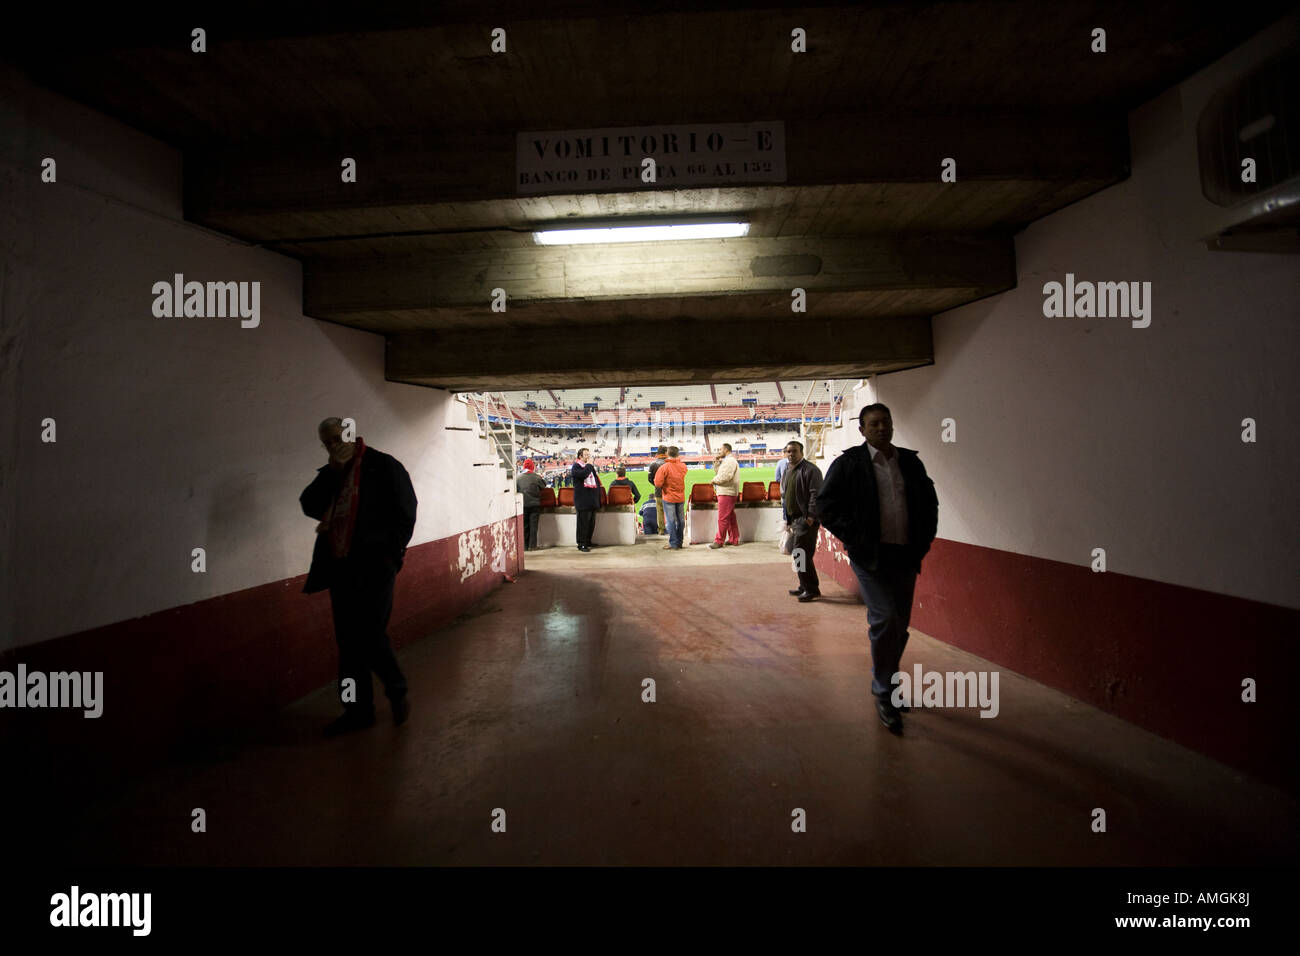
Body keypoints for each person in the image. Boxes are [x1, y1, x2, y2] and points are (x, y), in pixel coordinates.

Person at [817, 403, 939, 736]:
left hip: (905, 555)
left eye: (885, 422)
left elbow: (930, 503)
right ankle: (886, 691)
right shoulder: (849, 465)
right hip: (870, 557)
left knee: (898, 625)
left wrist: (923, 543)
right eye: (873, 424)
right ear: (862, 430)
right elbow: (825, 506)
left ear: (893, 425)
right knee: (884, 618)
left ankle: (885, 680)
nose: (881, 429)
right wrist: (855, 538)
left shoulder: (910, 463)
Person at [300, 418, 416, 737]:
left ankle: (395, 688)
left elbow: (406, 513)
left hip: (376, 567)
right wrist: (334, 474)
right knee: (348, 645)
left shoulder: (384, 466)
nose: (332, 446)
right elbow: (308, 505)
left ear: (351, 434)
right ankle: (357, 711)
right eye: (326, 443)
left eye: (337, 438)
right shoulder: (331, 473)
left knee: (369, 634)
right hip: (340, 567)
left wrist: (390, 556)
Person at [781, 440, 823, 603]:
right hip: (795, 520)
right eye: (788, 451)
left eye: (794, 451)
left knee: (801, 553)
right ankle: (805, 585)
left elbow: (816, 494)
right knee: (800, 554)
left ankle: (810, 589)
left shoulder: (811, 470)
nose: (791, 454)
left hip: (806, 519)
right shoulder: (788, 470)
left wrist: (811, 517)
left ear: (802, 452)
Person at [652, 446, 688, 549]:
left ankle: (673, 543)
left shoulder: (664, 467)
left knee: (670, 521)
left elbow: (657, 483)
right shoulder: (683, 466)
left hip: (669, 497)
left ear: (667, 454)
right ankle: (679, 542)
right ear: (678, 454)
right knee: (681, 520)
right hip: (680, 497)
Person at [710, 443, 741, 548]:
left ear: (726, 450)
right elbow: (720, 473)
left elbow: (725, 477)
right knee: (730, 517)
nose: (719, 451)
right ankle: (734, 539)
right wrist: (716, 462)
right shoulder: (727, 461)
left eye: (720, 449)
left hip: (726, 492)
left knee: (722, 518)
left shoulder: (730, 461)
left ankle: (719, 541)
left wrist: (713, 481)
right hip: (728, 491)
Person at [571, 448, 600, 552]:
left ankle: (588, 541)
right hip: (582, 500)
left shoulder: (589, 467)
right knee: (583, 524)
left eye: (589, 454)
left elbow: (595, 480)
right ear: (580, 456)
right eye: (586, 455)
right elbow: (583, 474)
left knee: (591, 523)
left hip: (591, 500)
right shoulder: (576, 466)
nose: (588, 456)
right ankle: (581, 544)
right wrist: (590, 465)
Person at [516, 459, 546, 551]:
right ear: (533, 467)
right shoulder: (537, 477)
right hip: (534, 504)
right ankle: (532, 546)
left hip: (523, 505)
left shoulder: (518, 478)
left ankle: (525, 546)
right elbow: (543, 486)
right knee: (533, 526)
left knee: (525, 526)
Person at [647, 445, 668, 535]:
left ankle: (661, 530)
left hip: (658, 491)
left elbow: (649, 478)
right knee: (670, 510)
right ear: (665, 452)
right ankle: (672, 528)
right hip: (669, 491)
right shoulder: (669, 463)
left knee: (660, 510)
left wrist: (657, 485)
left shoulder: (653, 464)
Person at [774, 454, 790, 523]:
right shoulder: (806, 466)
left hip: (785, 496)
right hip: (794, 498)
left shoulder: (781, 463)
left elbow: (777, 479)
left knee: (786, 520)